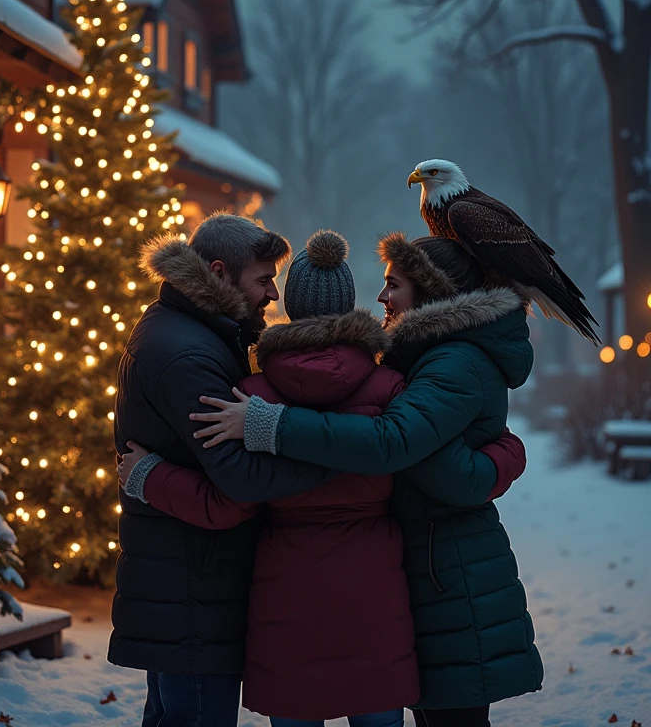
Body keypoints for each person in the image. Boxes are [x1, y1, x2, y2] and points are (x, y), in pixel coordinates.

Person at [119, 231, 528, 726]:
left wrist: (150, 477)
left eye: (393, 284)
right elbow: (399, 450)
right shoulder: (391, 384)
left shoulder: (250, 394)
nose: (383, 297)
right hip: (379, 586)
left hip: (285, 589)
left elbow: (235, 499)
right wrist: (508, 450)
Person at [109, 214, 341, 727]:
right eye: (262, 280)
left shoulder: (189, 330)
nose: (273, 294)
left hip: (186, 577)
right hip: (194, 581)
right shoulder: (190, 353)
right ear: (218, 273)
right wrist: (341, 463)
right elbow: (238, 476)